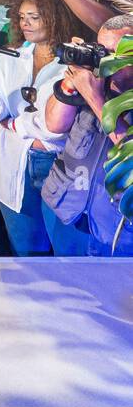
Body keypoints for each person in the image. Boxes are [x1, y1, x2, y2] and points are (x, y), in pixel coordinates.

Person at [0, 0, 76, 255]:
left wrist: (14, 125)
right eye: (22, 17)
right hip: (13, 164)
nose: (26, 23)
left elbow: (54, 128)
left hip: (58, 166)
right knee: (27, 252)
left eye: (34, 17)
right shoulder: (11, 57)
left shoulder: (72, 62)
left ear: (54, 17)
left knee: (68, 254)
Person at [41, 14, 133, 257]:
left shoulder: (97, 92)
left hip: (114, 229)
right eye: (102, 50)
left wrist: (95, 98)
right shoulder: (94, 80)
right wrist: (72, 83)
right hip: (65, 209)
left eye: (117, 53)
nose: (106, 61)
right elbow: (54, 124)